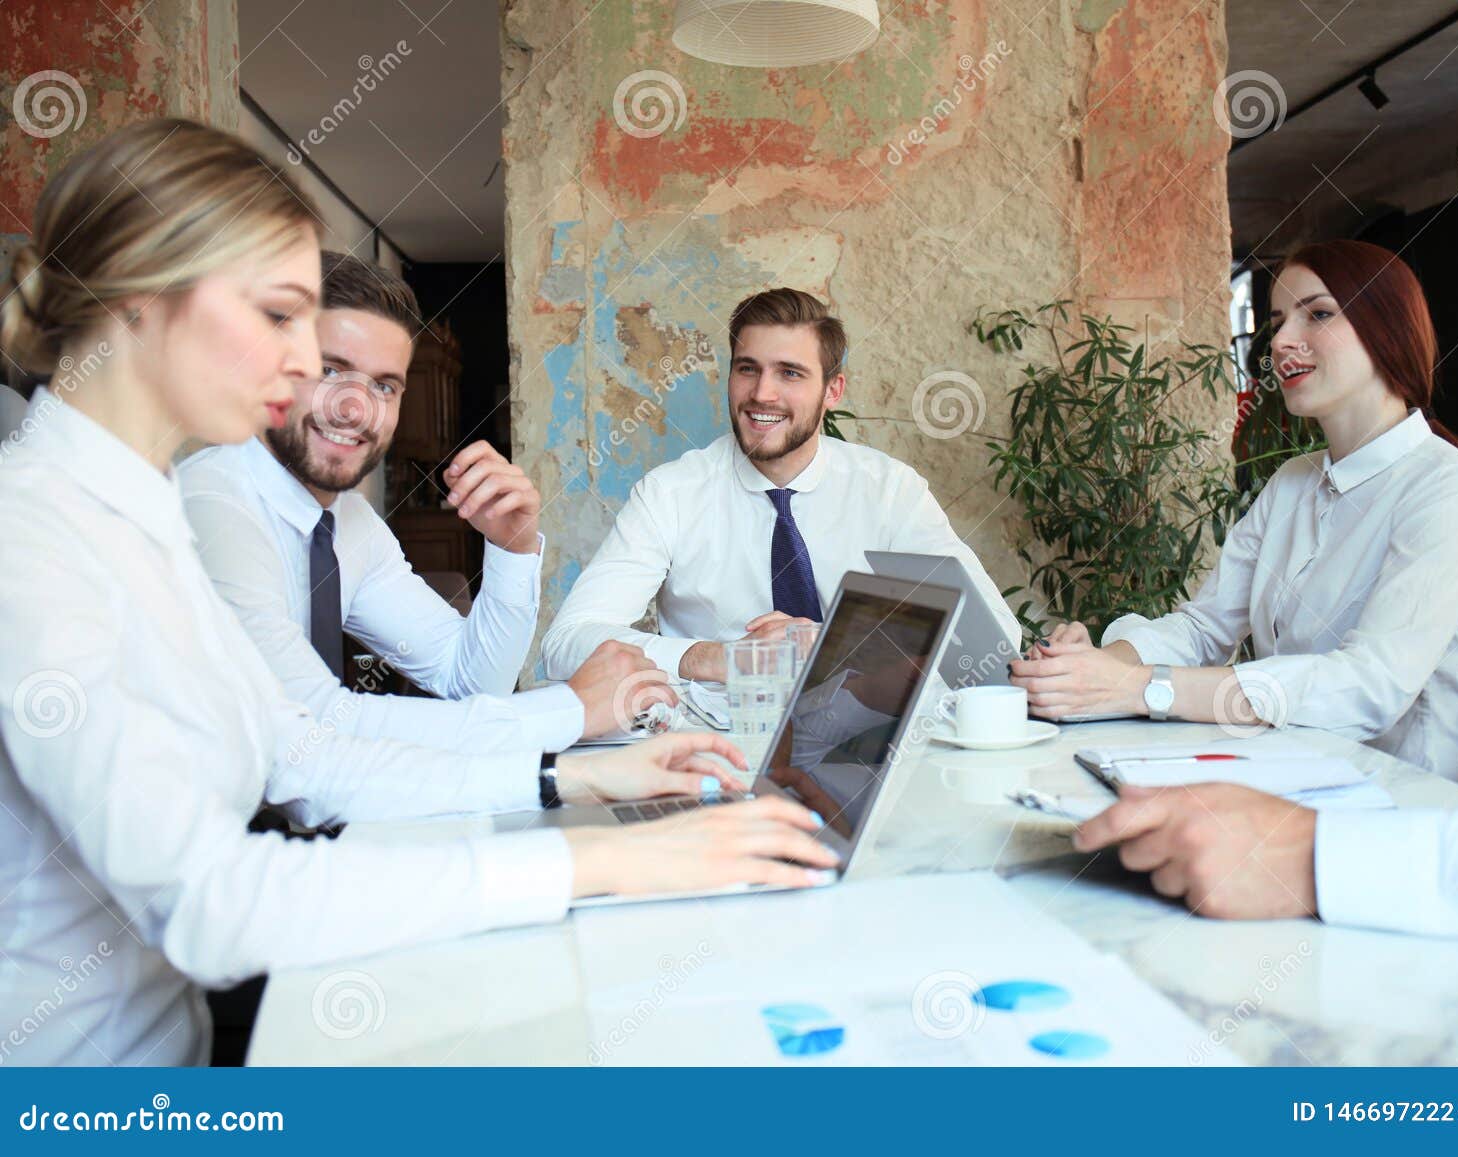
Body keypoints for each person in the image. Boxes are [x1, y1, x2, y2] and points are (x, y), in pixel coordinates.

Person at [0, 119, 837, 1067]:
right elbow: (208, 898)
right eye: (279, 317)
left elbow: (301, 749)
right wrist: (603, 860)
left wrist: (589, 774)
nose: (302, 366)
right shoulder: (33, 538)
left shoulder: (133, 510)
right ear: (144, 296)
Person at [1009, 241, 1458, 788]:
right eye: (1277, 320)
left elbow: (1368, 687)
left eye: (1317, 314)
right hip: (1288, 779)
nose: (1282, 341)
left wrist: (1139, 687)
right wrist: (1102, 667)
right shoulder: (1292, 482)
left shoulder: (1448, 490)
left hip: (1413, 812)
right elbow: (1205, 626)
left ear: (1386, 330)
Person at [180, 252, 668, 754]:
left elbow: (468, 679)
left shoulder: (349, 525)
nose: (355, 408)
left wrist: (512, 548)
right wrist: (570, 709)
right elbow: (310, 723)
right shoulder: (212, 506)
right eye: (329, 369)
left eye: (383, 386)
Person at [542, 287, 1020, 683]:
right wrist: (716, 657)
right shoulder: (670, 495)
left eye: (789, 373)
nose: (761, 394)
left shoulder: (889, 491)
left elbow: (994, 638)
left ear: (833, 391)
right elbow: (566, 643)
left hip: (861, 744)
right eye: (747, 368)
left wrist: (835, 643)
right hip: (717, 744)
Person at [1072, 783, 1458, 951]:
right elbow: (1207, 619)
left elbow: (1376, 677)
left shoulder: (1449, 515)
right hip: (1276, 775)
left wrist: (1307, 852)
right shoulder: (1277, 514)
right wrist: (1115, 665)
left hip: (1413, 790)